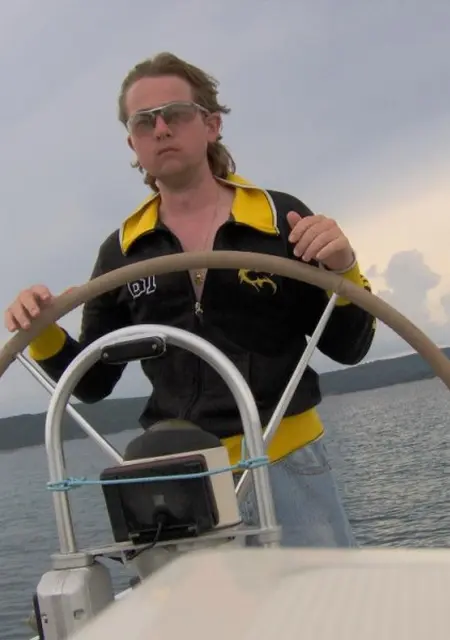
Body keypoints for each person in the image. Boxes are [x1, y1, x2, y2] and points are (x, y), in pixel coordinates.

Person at [4, 52, 376, 548]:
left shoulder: (280, 220)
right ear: (133, 144)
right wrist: (42, 332)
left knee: (322, 598)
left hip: (289, 463)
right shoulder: (121, 251)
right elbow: (92, 382)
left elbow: (350, 348)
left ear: (211, 125)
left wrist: (343, 267)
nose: (160, 129)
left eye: (175, 114)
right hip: (179, 480)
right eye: (144, 121)